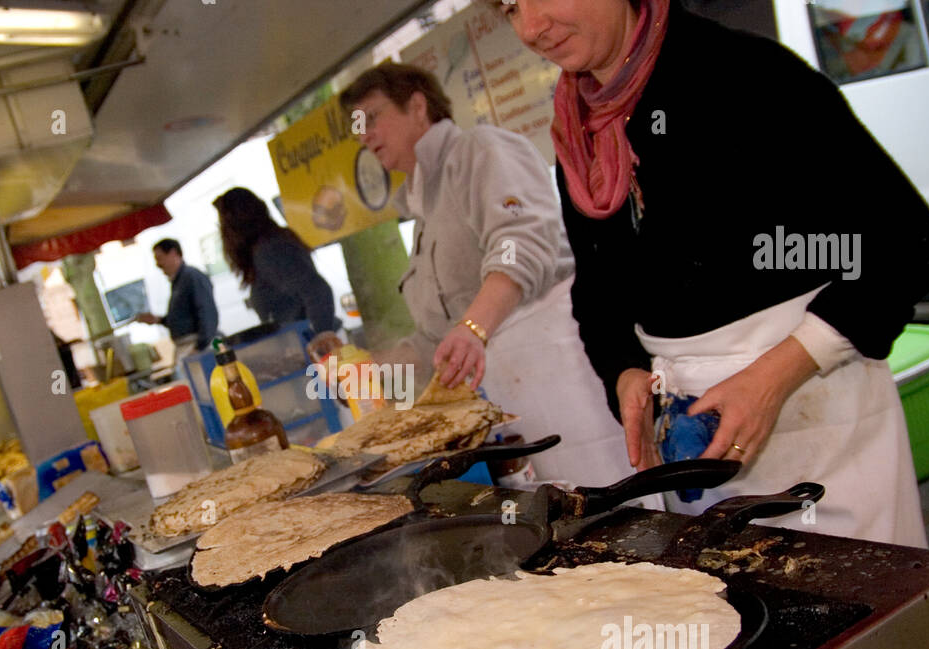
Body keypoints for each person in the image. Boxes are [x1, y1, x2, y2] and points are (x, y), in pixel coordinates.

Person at [460, 0, 929, 545]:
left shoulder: (745, 75)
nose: (530, 26)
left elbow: (909, 243)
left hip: (819, 427)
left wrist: (773, 376)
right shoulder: (583, 138)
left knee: (873, 622)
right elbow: (599, 292)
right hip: (693, 451)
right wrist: (625, 373)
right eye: (511, 6)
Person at [338, 63, 632, 484]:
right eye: (356, 128)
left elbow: (522, 240)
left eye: (372, 117)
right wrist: (369, 367)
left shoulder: (479, 150)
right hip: (506, 400)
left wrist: (474, 328)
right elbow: (437, 340)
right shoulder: (422, 208)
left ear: (417, 105)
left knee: (608, 498)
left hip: (554, 370)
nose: (364, 134)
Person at [213, 187, 341, 341]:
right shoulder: (271, 245)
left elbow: (317, 291)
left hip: (314, 346)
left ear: (233, 227)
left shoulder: (270, 250)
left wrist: (322, 337)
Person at [133, 238, 220, 351]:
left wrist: (200, 347)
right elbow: (183, 317)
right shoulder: (178, 282)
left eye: (160, 258)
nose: (158, 264)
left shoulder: (192, 276)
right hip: (186, 345)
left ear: (173, 253)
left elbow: (207, 313)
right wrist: (159, 320)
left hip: (197, 345)